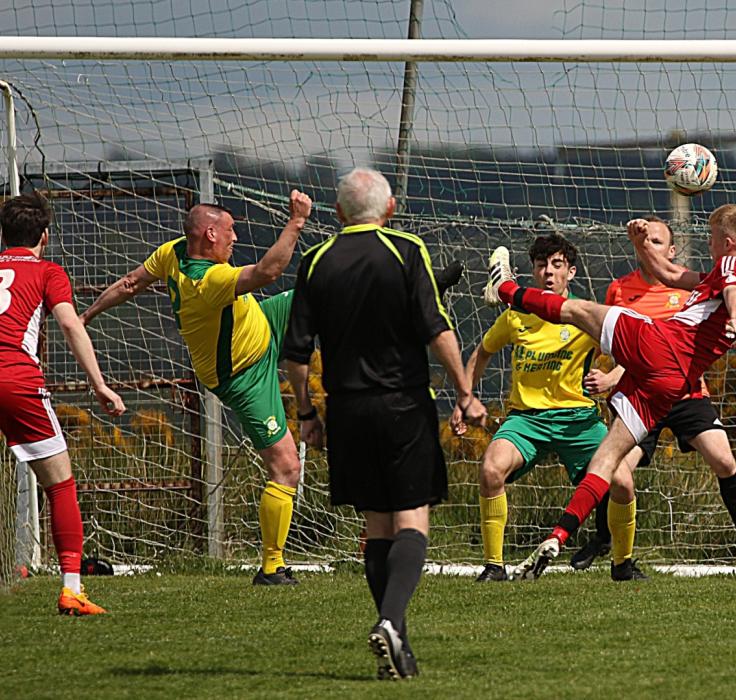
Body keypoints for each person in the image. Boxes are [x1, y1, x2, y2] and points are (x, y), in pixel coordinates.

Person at [471, 203, 736, 579]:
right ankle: (559, 536)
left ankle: (506, 289)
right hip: (672, 383)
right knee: (607, 462)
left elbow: (733, 290)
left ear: (727, 242)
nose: (708, 245)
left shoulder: (731, 266)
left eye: (711, 239)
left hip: (659, 345)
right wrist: (640, 243)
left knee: (577, 310)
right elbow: (669, 272)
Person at [282, 168, 485, 680]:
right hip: (403, 405)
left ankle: (399, 646)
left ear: (338, 213)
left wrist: (306, 413)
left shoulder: (315, 260)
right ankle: (391, 621)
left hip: (347, 410)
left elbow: (297, 353)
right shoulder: (407, 249)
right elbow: (437, 329)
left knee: (376, 525)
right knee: (412, 520)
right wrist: (465, 392)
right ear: (390, 209)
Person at [82, 190, 313, 586]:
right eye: (230, 231)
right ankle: (272, 568)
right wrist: (296, 221)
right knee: (287, 467)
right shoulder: (207, 280)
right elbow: (268, 272)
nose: (235, 238)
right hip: (244, 374)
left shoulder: (172, 252)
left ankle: (400, 318)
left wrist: (86, 315)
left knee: (322, 290)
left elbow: (130, 283)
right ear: (210, 234)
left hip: (260, 324)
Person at [571, 215, 736, 572]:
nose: (649, 246)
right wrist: (608, 375)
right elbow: (631, 346)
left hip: (686, 393)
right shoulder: (620, 289)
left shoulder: (699, 284)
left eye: (657, 241)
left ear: (671, 250)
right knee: (617, 469)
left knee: (724, 461)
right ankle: (605, 539)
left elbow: (728, 317)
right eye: (646, 241)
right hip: (643, 393)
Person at [464, 233, 642, 582]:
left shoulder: (584, 315)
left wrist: (610, 378)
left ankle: (622, 565)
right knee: (491, 469)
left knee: (622, 480)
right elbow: (482, 353)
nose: (548, 272)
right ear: (533, 271)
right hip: (526, 420)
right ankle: (494, 567)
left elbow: (632, 354)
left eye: (557, 265)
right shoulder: (515, 317)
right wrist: (465, 398)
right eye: (541, 265)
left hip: (578, 420)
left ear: (570, 272)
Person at [0, 192, 126, 615]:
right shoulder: (47, 271)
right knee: (60, 484)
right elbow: (71, 325)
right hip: (16, 379)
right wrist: (100, 385)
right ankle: (71, 588)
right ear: (45, 236)